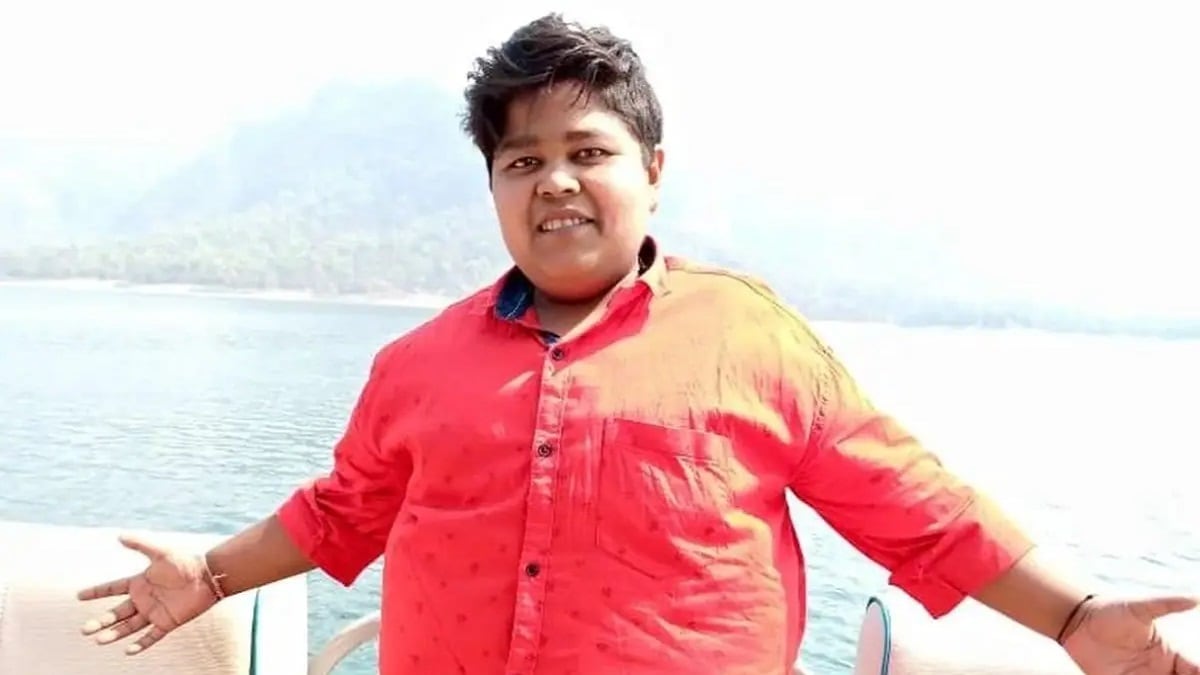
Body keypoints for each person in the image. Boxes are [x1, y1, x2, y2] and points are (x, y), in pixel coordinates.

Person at [77, 13, 1197, 675]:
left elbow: (916, 507)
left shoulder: (750, 335)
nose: (555, 180)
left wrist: (1075, 617)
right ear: (493, 187)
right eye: (522, 162)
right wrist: (210, 574)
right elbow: (344, 510)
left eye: (588, 150)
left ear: (651, 171)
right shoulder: (414, 365)